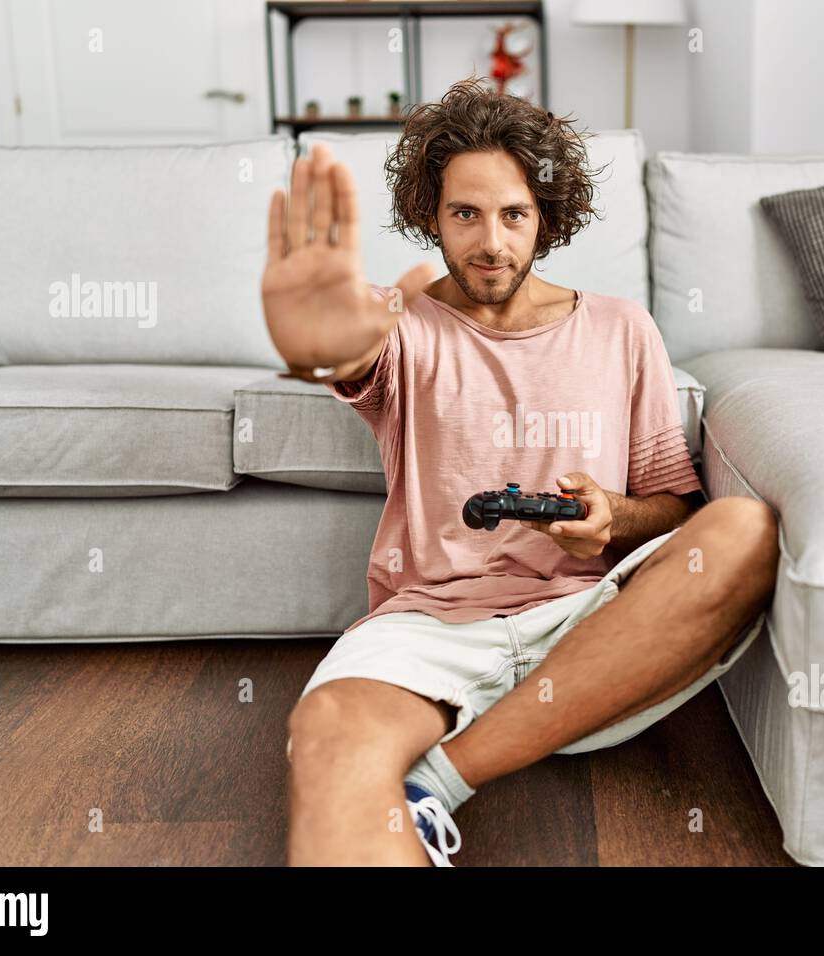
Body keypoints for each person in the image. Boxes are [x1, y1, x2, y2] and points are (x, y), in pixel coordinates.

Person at [263, 77, 779, 866]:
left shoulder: (620, 329)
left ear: (547, 217)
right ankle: (433, 772)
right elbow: (350, 351)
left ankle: (437, 782)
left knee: (742, 530)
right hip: (432, 626)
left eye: (513, 215)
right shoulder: (403, 327)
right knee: (326, 737)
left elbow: (679, 508)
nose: (491, 243)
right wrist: (321, 342)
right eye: (464, 214)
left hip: (593, 625)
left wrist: (612, 514)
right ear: (429, 216)